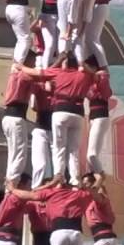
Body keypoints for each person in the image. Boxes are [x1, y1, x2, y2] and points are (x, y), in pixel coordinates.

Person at [16, 55, 93, 185]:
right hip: (78, 113)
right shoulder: (83, 75)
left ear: (65, 64)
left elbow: (37, 72)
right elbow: (95, 75)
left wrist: (20, 66)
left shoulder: (59, 72)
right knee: (74, 148)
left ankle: (59, 175)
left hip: (62, 110)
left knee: (59, 146)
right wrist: (84, 66)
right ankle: (74, 179)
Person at [2, 61, 47, 184]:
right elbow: (40, 75)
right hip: (16, 117)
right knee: (19, 155)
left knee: (13, 154)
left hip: (7, 117)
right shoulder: (23, 76)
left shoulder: (13, 76)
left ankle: (9, 184)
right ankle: (13, 184)